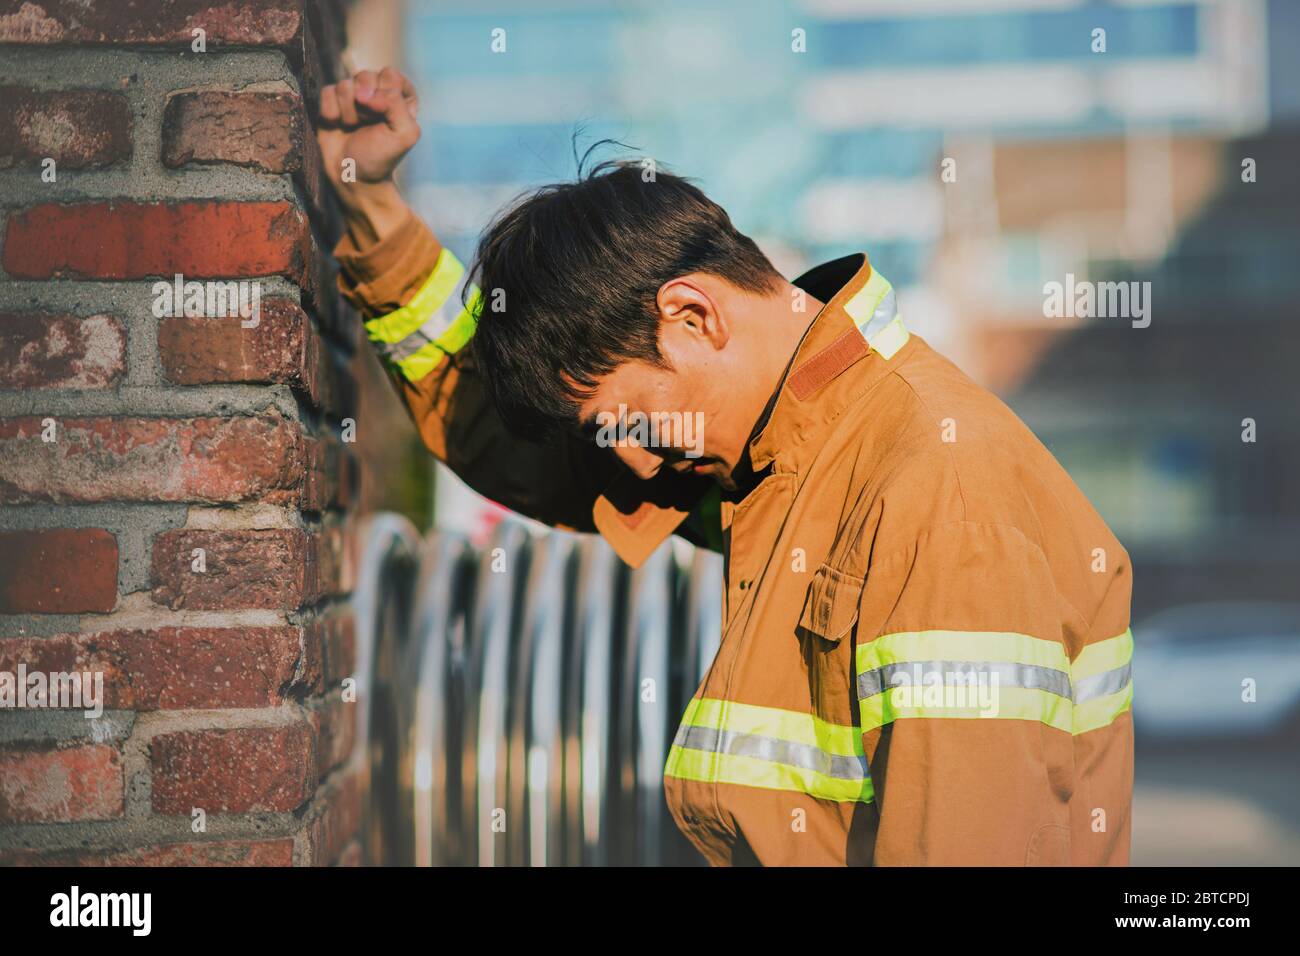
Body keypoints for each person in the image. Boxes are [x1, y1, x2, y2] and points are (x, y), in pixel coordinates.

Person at [318, 67, 1134, 866]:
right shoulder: (781, 453)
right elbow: (517, 449)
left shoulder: (940, 490)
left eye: (630, 421)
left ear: (693, 315)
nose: (629, 457)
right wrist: (370, 208)